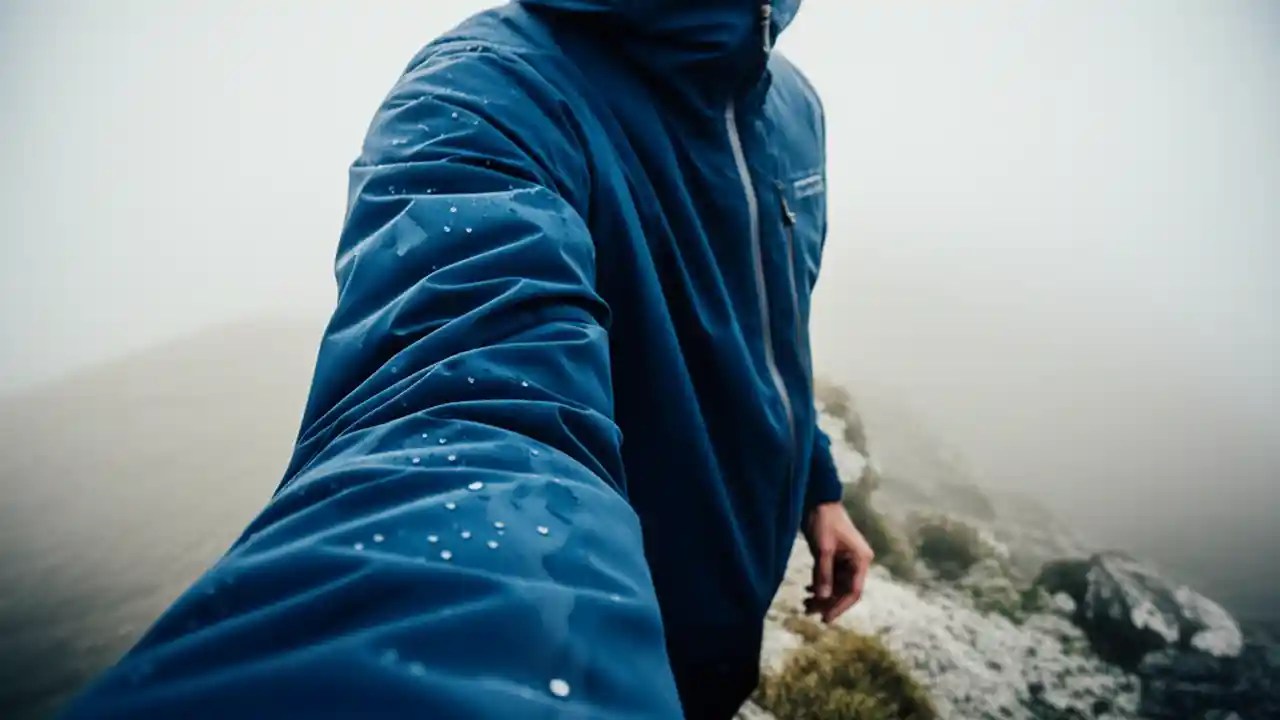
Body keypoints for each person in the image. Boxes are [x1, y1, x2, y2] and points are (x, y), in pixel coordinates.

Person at [65, 1, 874, 718]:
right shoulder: (485, 95)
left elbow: (769, 328)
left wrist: (816, 485)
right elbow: (462, 402)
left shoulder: (791, 105)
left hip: (735, 604)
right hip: (616, 645)